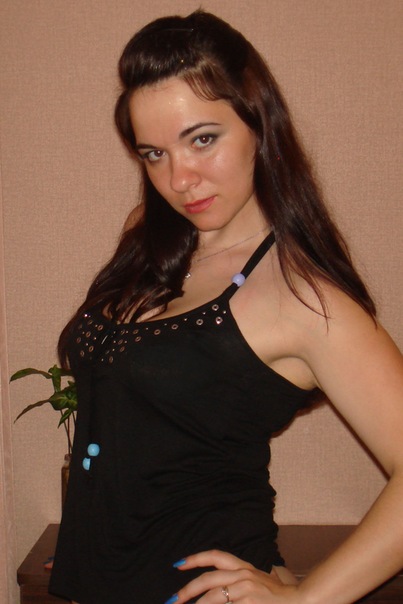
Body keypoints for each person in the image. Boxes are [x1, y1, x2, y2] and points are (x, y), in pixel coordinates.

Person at [49, 9, 403, 604]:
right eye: (153, 153)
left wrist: (303, 600)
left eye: (202, 139)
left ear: (259, 125)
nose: (179, 179)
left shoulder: (303, 297)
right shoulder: (151, 240)